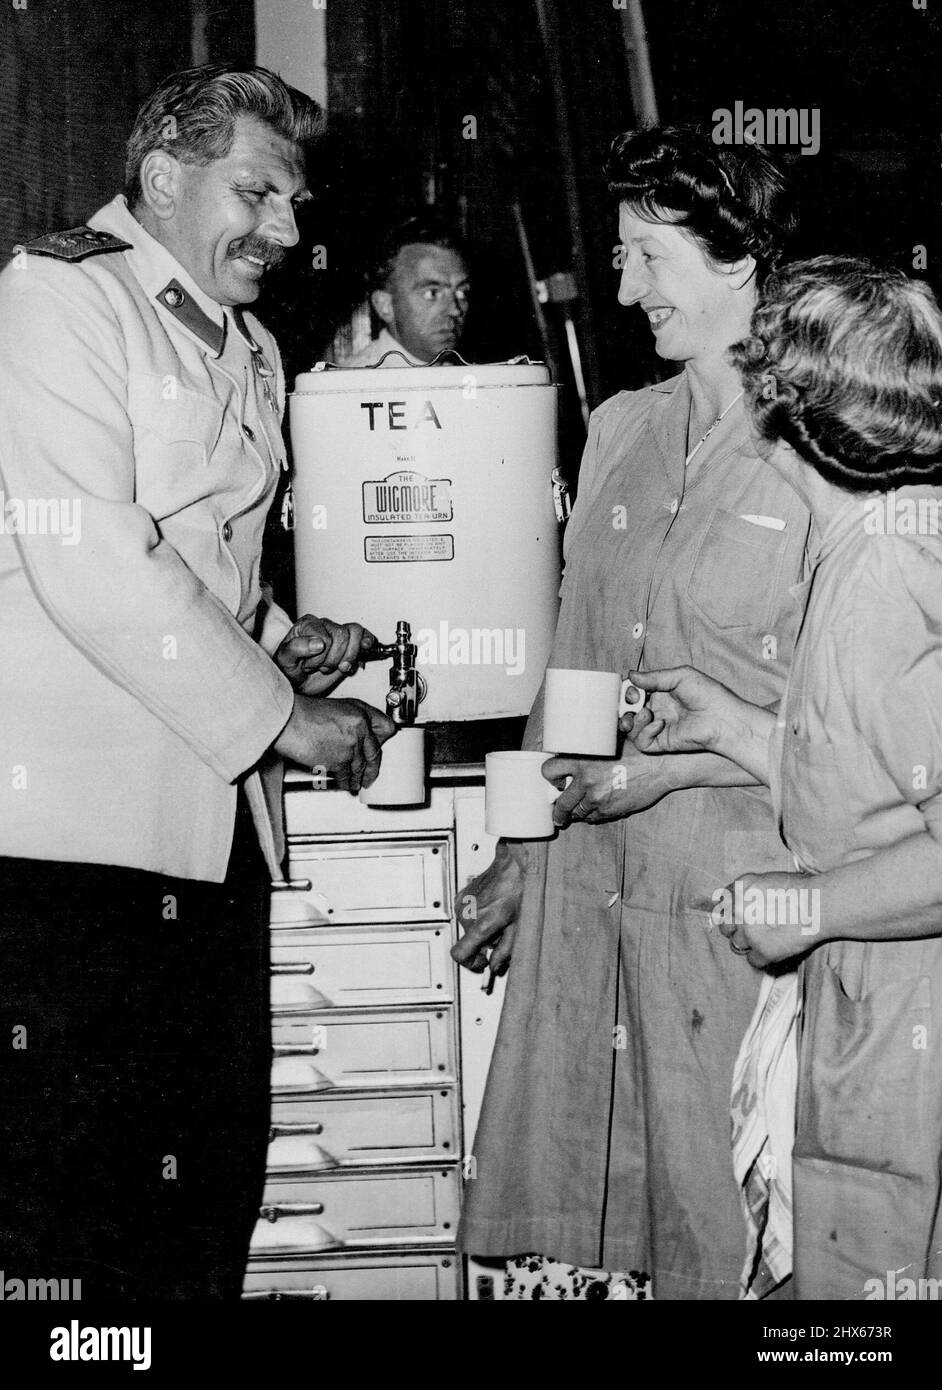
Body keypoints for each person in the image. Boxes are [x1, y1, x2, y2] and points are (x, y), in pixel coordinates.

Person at [0, 63, 395, 1300]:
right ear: (164, 176)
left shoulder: (253, 341)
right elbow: (94, 560)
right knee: (74, 1228)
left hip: (213, 839)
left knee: (200, 1203)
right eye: (257, 194)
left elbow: (201, 567)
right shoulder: (61, 297)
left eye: (294, 203)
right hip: (74, 855)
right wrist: (286, 719)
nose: (286, 230)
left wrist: (279, 636)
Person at [453, 124, 814, 1300]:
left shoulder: (826, 447)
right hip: (585, 888)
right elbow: (575, 668)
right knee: (591, 1209)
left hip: (737, 903)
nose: (621, 285)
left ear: (738, 261)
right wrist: (517, 845)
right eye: (619, 255)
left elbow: (857, 720)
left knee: (731, 1227)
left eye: (648, 255)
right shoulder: (618, 429)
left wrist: (673, 772)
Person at [625, 256, 942, 1300]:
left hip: (905, 1025)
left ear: (778, 405)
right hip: (870, 1010)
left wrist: (803, 905)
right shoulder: (872, 539)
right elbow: (870, 776)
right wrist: (730, 727)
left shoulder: (890, 572)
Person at [342, 214, 470, 367]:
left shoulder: (470, 375)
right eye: (432, 293)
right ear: (385, 306)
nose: (455, 310)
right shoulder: (353, 384)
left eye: (461, 292)